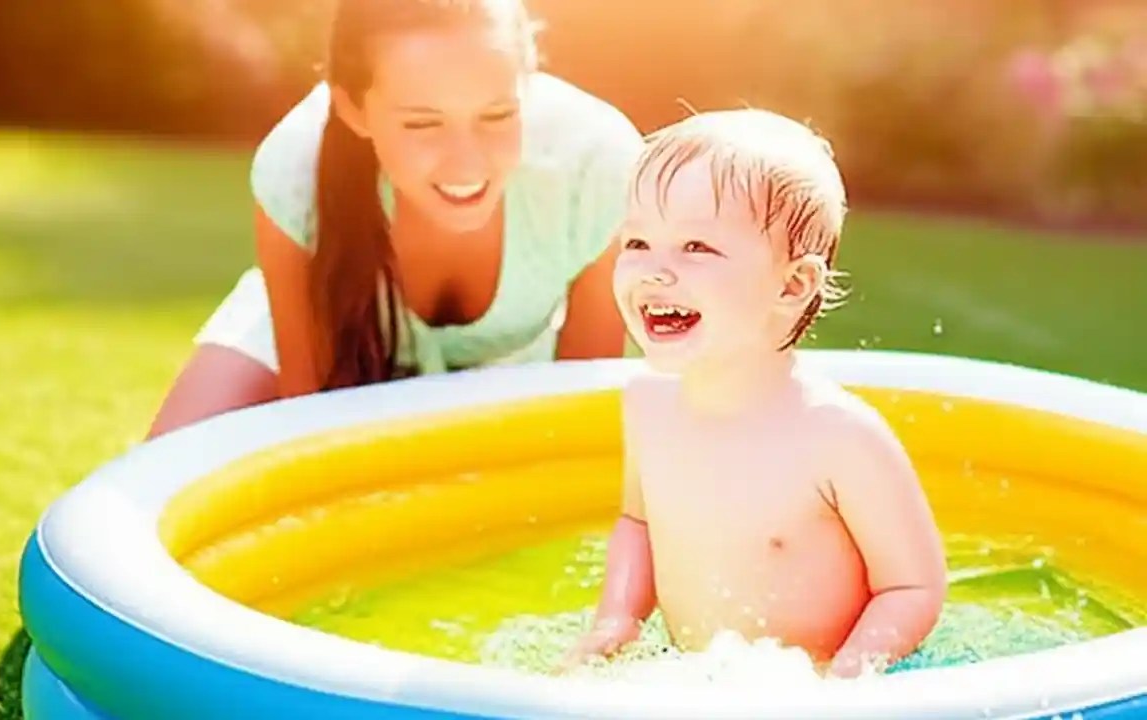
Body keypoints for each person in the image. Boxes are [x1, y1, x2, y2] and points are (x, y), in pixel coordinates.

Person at [562, 108, 947, 678]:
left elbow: (913, 586)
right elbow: (637, 523)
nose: (654, 271)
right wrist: (616, 621)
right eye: (638, 241)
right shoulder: (647, 405)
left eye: (696, 247)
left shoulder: (839, 436)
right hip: (689, 677)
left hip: (809, 685)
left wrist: (845, 682)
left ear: (792, 285)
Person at [147, 0, 644, 438]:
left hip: (516, 363)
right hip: (334, 324)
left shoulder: (596, 164)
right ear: (353, 108)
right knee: (165, 473)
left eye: (496, 115)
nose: (466, 163)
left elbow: (578, 416)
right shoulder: (295, 166)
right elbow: (309, 430)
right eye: (423, 123)